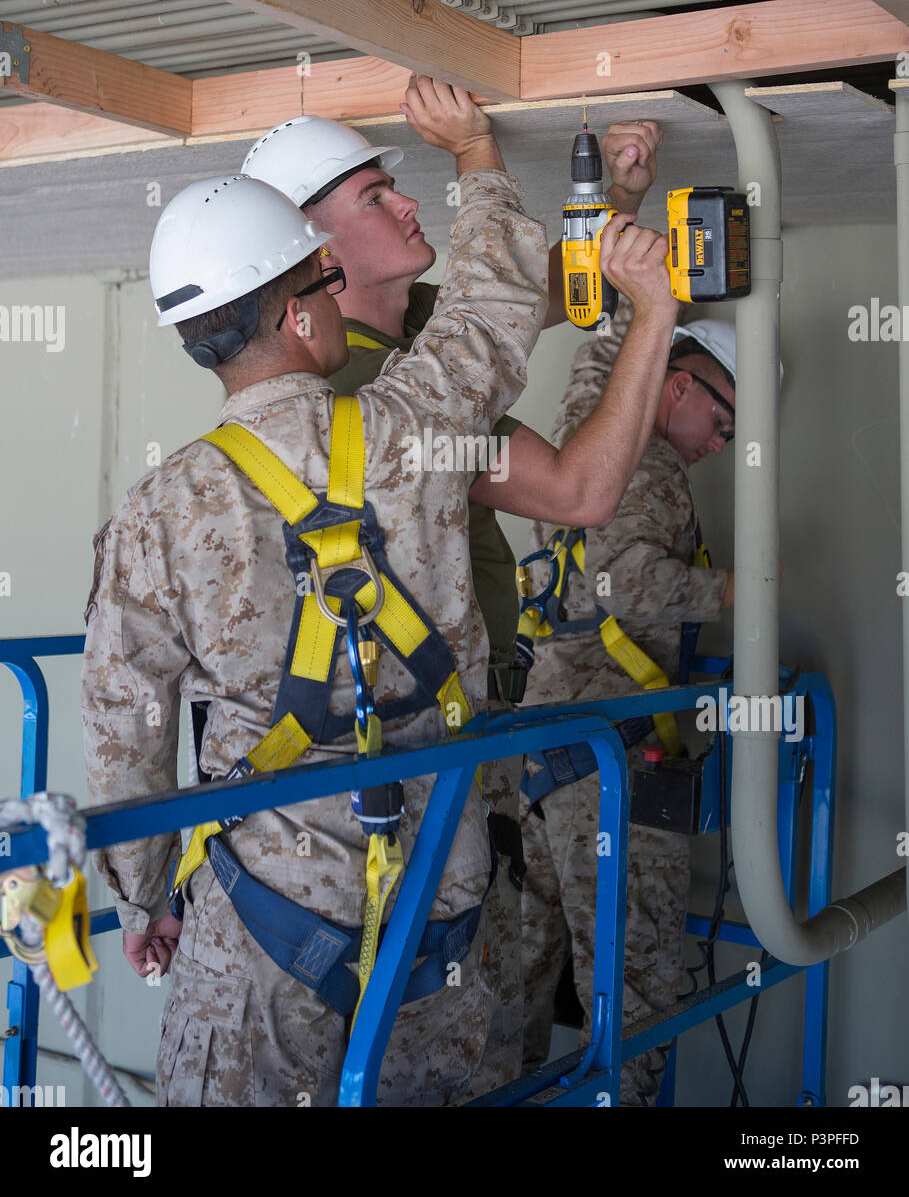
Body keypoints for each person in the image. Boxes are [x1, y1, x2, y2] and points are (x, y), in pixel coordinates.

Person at [81, 78, 678, 1107]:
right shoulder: (412, 428)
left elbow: (122, 738)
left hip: (261, 917)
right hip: (436, 894)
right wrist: (479, 159)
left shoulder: (156, 510)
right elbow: (495, 309)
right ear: (304, 309)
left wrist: (143, 897)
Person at [242, 88, 665, 1086]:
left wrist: (622, 208)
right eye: (377, 191)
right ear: (316, 243)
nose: (407, 203)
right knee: (445, 1008)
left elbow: (534, 290)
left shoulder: (423, 320)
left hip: (466, 716)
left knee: (484, 988)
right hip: (424, 738)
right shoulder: (380, 404)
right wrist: (659, 315)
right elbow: (581, 491)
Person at [519, 306, 736, 1106]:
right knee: (630, 987)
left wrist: (650, 289)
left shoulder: (592, 429)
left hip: (544, 748)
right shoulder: (648, 468)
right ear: (677, 385)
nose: (721, 442)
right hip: (613, 758)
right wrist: (737, 591)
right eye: (721, 419)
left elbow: (595, 359)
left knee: (518, 978)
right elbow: (627, 581)